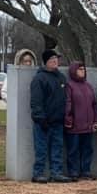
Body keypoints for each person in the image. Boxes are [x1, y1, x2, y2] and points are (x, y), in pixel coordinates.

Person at [29, 50, 71, 183]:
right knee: (41, 148)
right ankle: (38, 173)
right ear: (46, 61)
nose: (55, 61)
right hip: (43, 122)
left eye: (56, 59)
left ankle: (56, 172)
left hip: (58, 121)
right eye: (52, 59)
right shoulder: (39, 78)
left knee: (57, 148)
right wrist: (40, 118)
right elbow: (36, 101)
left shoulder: (61, 77)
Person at [63, 61, 97, 180]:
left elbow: (94, 105)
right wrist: (68, 120)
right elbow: (67, 103)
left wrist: (96, 121)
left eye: (83, 69)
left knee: (87, 149)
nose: (82, 71)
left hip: (88, 126)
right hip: (74, 126)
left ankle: (86, 171)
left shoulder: (88, 86)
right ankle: (73, 172)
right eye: (80, 69)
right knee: (73, 150)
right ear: (74, 71)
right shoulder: (69, 86)